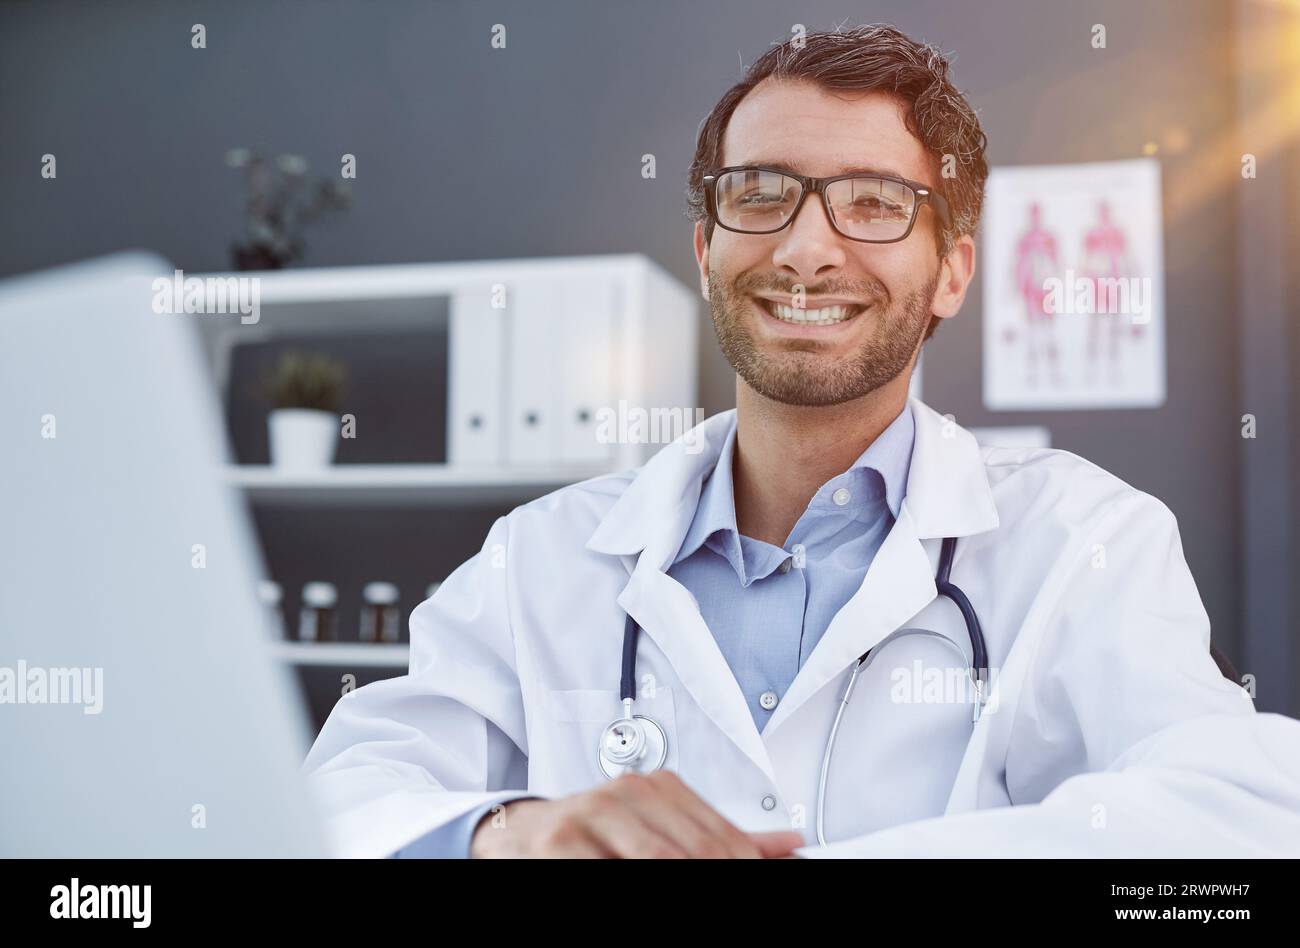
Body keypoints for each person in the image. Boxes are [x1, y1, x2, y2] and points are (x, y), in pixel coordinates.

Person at [302, 24, 1300, 859]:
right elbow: (338, 794)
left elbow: (1241, 809)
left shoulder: (1086, 539)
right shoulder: (541, 554)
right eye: (760, 193)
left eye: (873, 203)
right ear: (706, 251)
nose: (805, 249)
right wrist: (508, 833)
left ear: (951, 272)